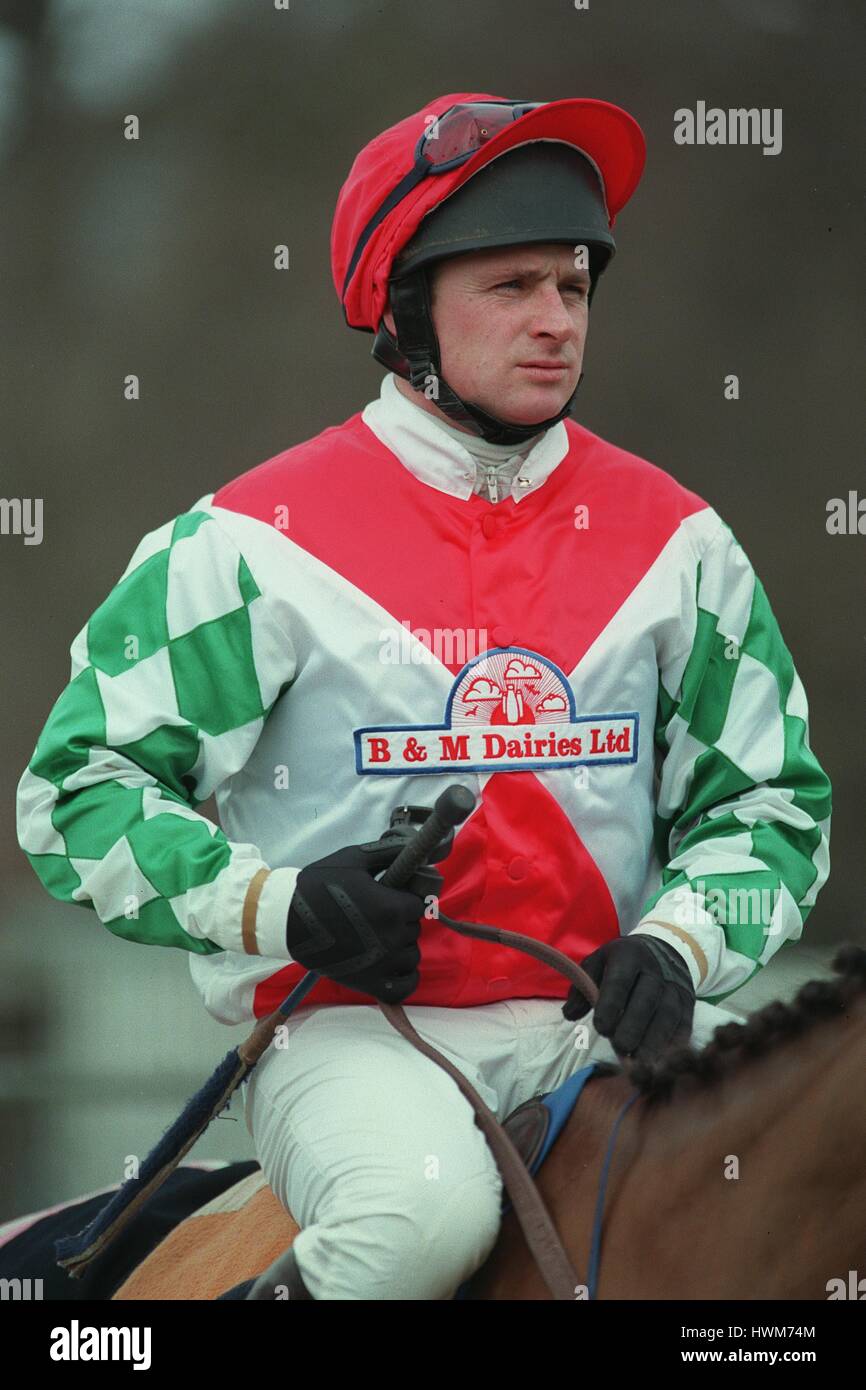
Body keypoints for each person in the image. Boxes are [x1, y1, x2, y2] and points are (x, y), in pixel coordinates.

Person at [15, 92, 832, 1300]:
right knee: (414, 1222)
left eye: (573, 287)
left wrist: (678, 938)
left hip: (599, 1034)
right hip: (348, 1039)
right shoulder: (246, 544)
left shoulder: (681, 543)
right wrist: (278, 906)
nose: (555, 321)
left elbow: (769, 805)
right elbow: (74, 790)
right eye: (510, 288)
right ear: (405, 311)